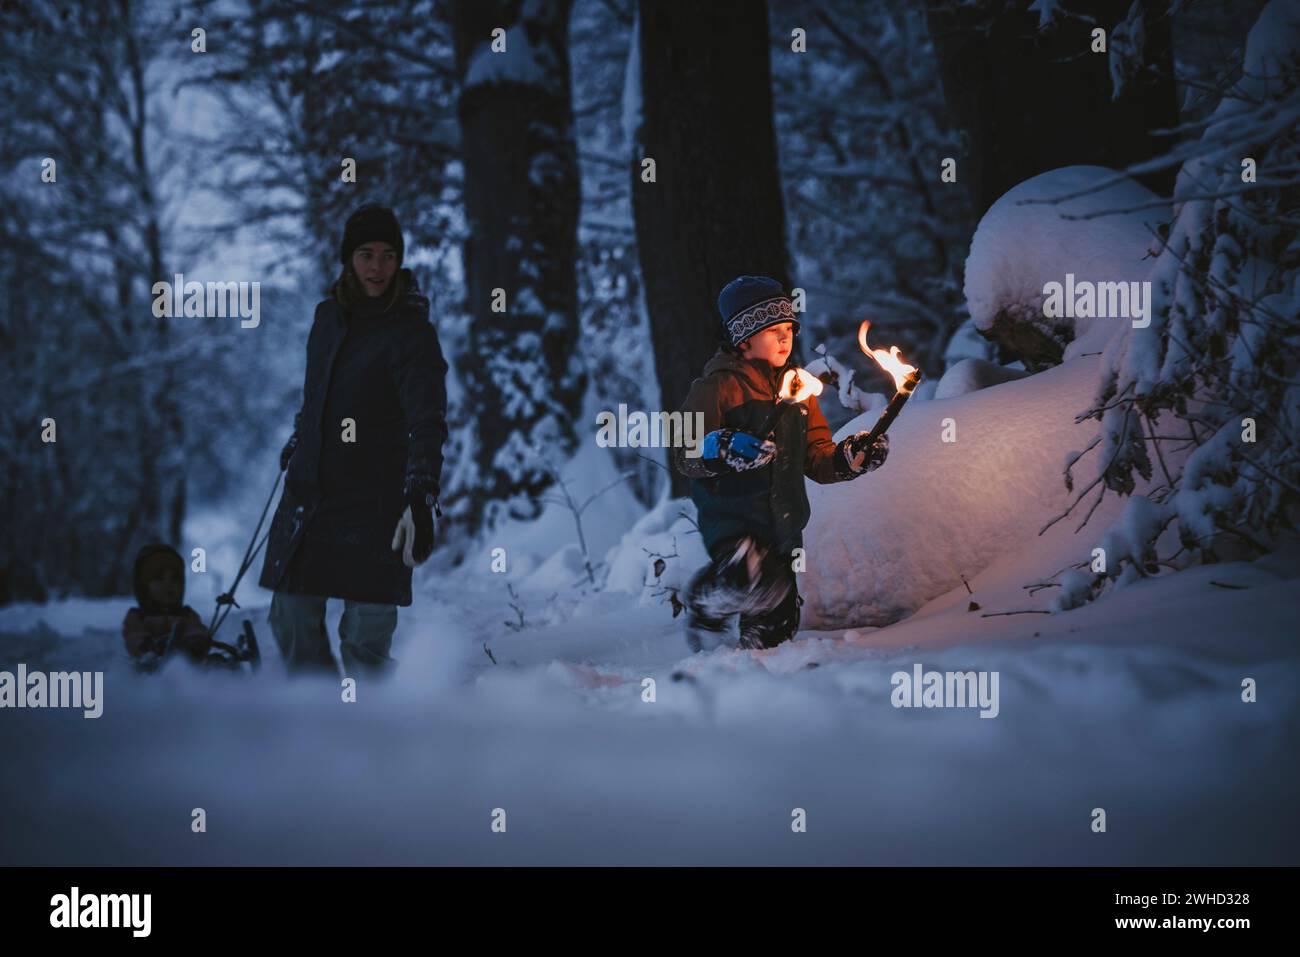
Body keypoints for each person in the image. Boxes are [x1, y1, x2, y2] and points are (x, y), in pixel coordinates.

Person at [257, 203, 449, 679]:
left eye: (388, 255)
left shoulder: (411, 332)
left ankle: (372, 733)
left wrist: (420, 493)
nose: (377, 267)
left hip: (377, 499)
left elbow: (427, 419)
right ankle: (317, 720)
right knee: (292, 617)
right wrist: (302, 437)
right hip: (312, 492)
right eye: (366, 254)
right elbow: (317, 394)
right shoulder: (327, 320)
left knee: (366, 641)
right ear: (348, 259)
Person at [671, 276, 889, 652]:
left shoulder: (799, 389)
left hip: (784, 528)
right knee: (747, 575)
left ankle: (756, 676)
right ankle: (706, 606)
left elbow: (817, 457)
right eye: (772, 330)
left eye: (788, 328)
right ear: (744, 338)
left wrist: (850, 459)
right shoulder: (716, 387)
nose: (785, 338)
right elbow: (684, 450)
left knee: (778, 621)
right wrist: (722, 447)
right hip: (734, 519)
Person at [122, 544, 214, 668]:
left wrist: (196, 643)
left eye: (175, 578)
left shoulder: (187, 615)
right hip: (150, 674)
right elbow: (134, 637)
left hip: (185, 671)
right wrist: (148, 646)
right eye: (160, 579)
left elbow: (195, 630)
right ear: (145, 587)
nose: (169, 584)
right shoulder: (138, 617)